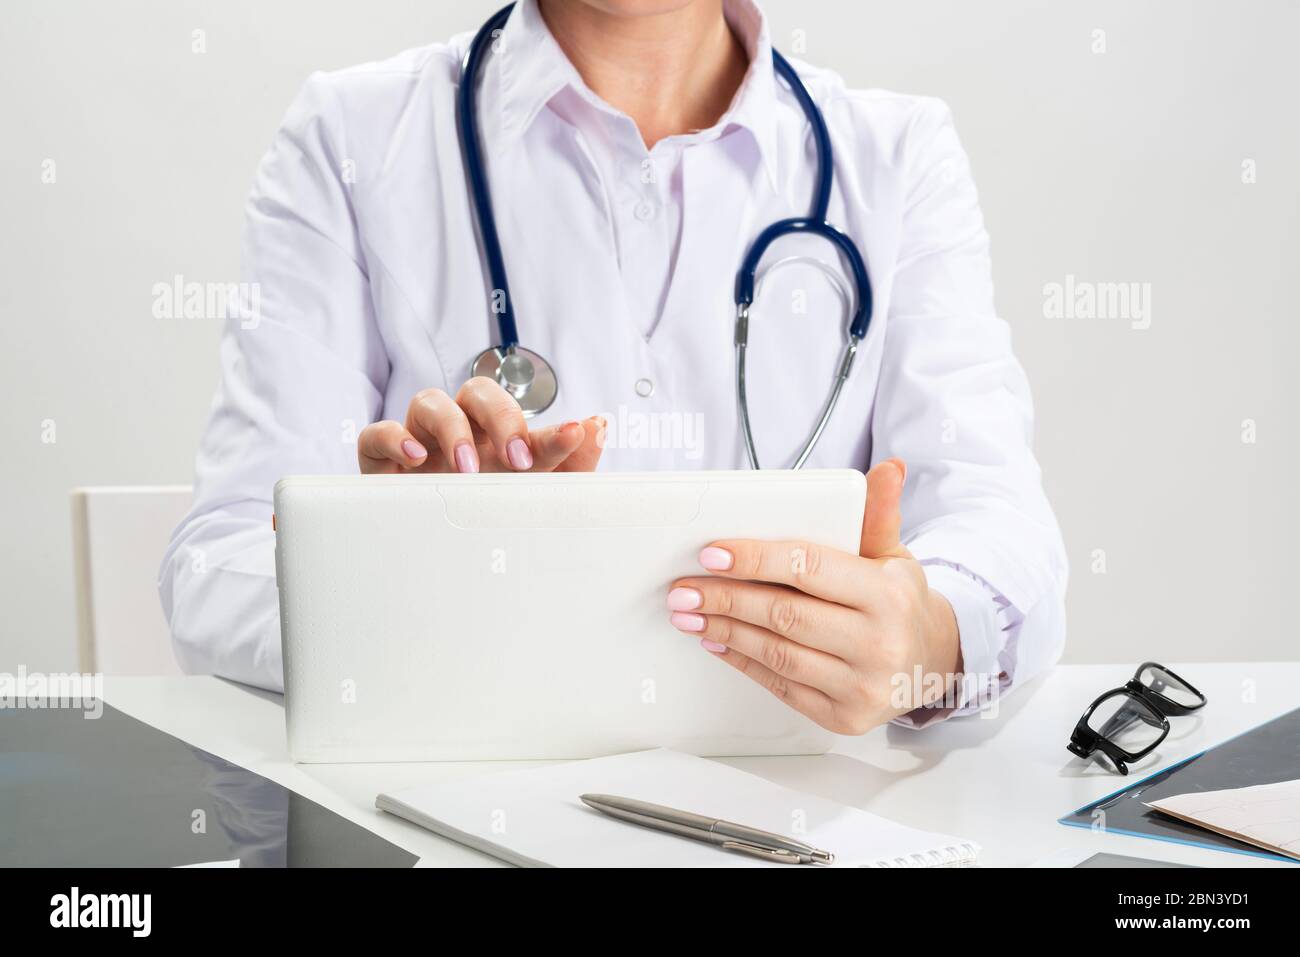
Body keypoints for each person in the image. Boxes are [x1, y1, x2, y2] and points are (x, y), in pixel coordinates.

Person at [160, 0, 1066, 732]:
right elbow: (216, 567)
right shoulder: (351, 139)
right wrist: (389, 568)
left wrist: (926, 635)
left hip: (802, 820)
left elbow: (998, 524)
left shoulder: (897, 156)